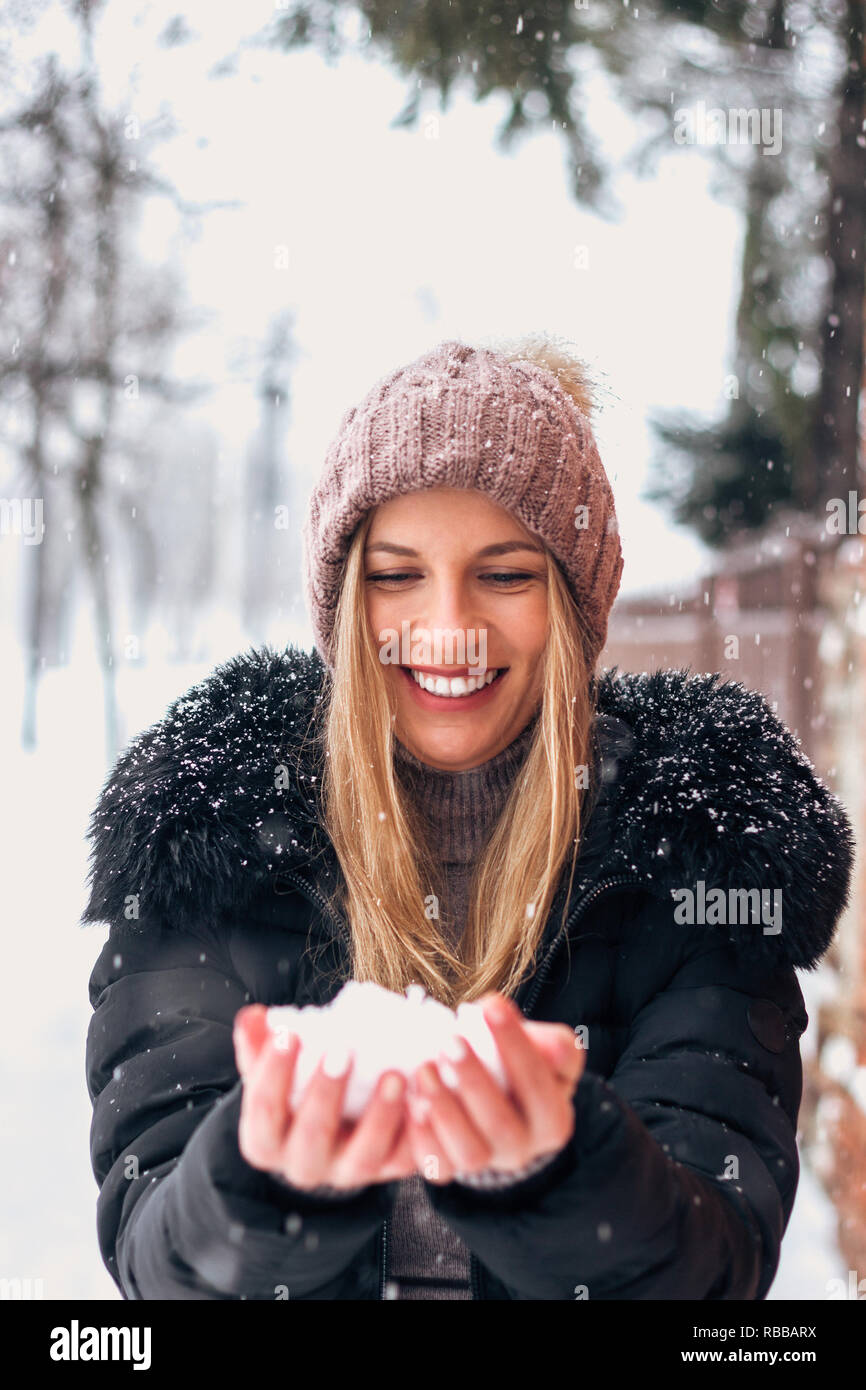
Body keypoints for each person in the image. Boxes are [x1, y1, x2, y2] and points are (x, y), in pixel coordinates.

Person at [82, 336, 854, 1300]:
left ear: (573, 608)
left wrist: (562, 1170)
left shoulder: (693, 867)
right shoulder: (210, 849)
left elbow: (715, 1270)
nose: (447, 626)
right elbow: (158, 1262)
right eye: (397, 575)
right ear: (343, 603)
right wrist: (258, 1183)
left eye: (506, 575)